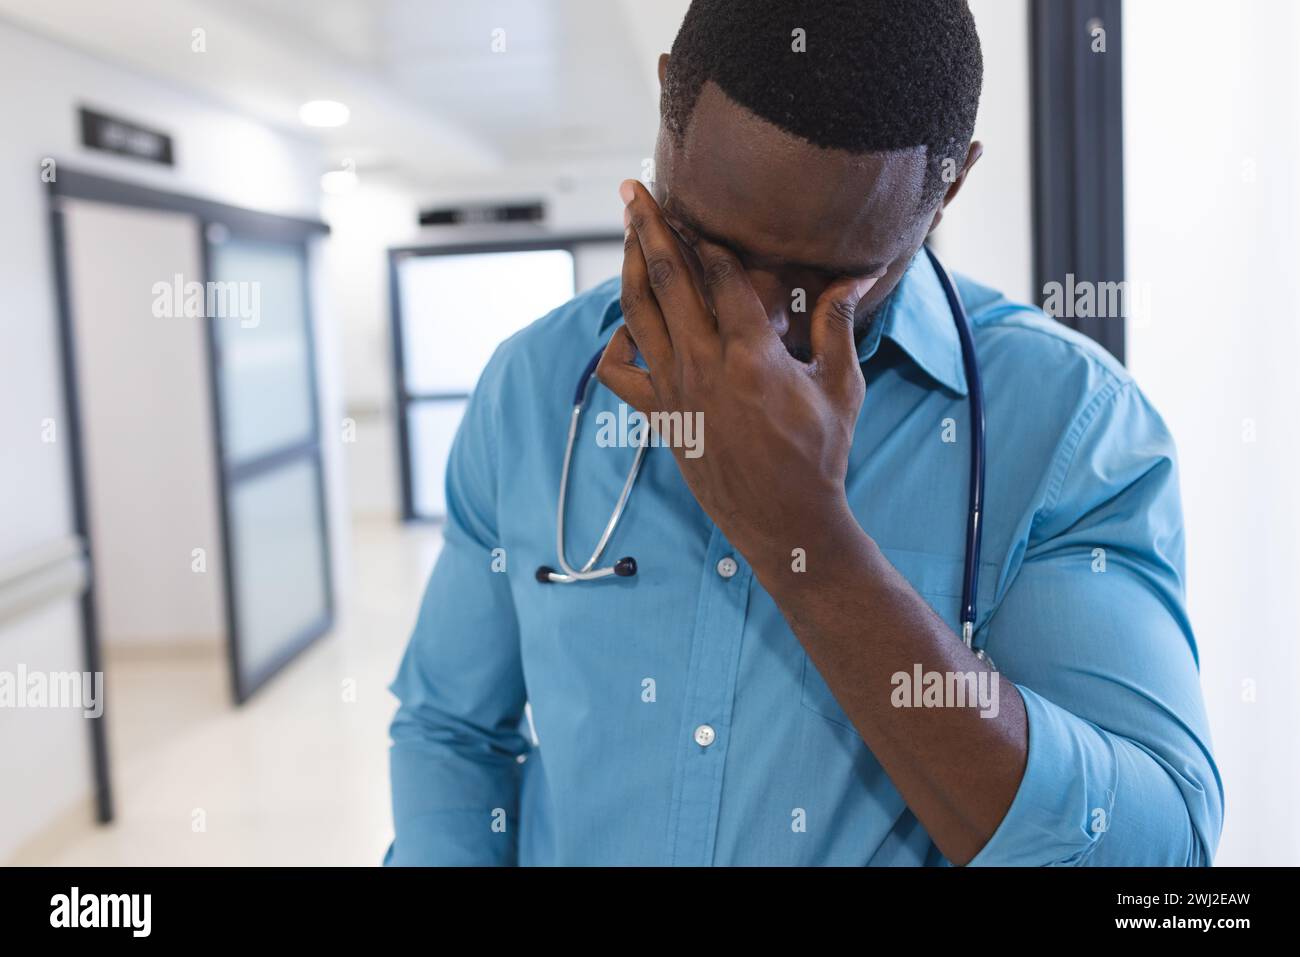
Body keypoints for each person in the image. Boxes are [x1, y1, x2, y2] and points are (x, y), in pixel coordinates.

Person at [386, 0, 1222, 866]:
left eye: (828, 279)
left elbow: (1156, 864)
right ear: (668, 103)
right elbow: (449, 732)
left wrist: (809, 540)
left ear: (949, 189)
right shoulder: (530, 385)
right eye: (709, 248)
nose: (752, 331)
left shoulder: (1068, 428)